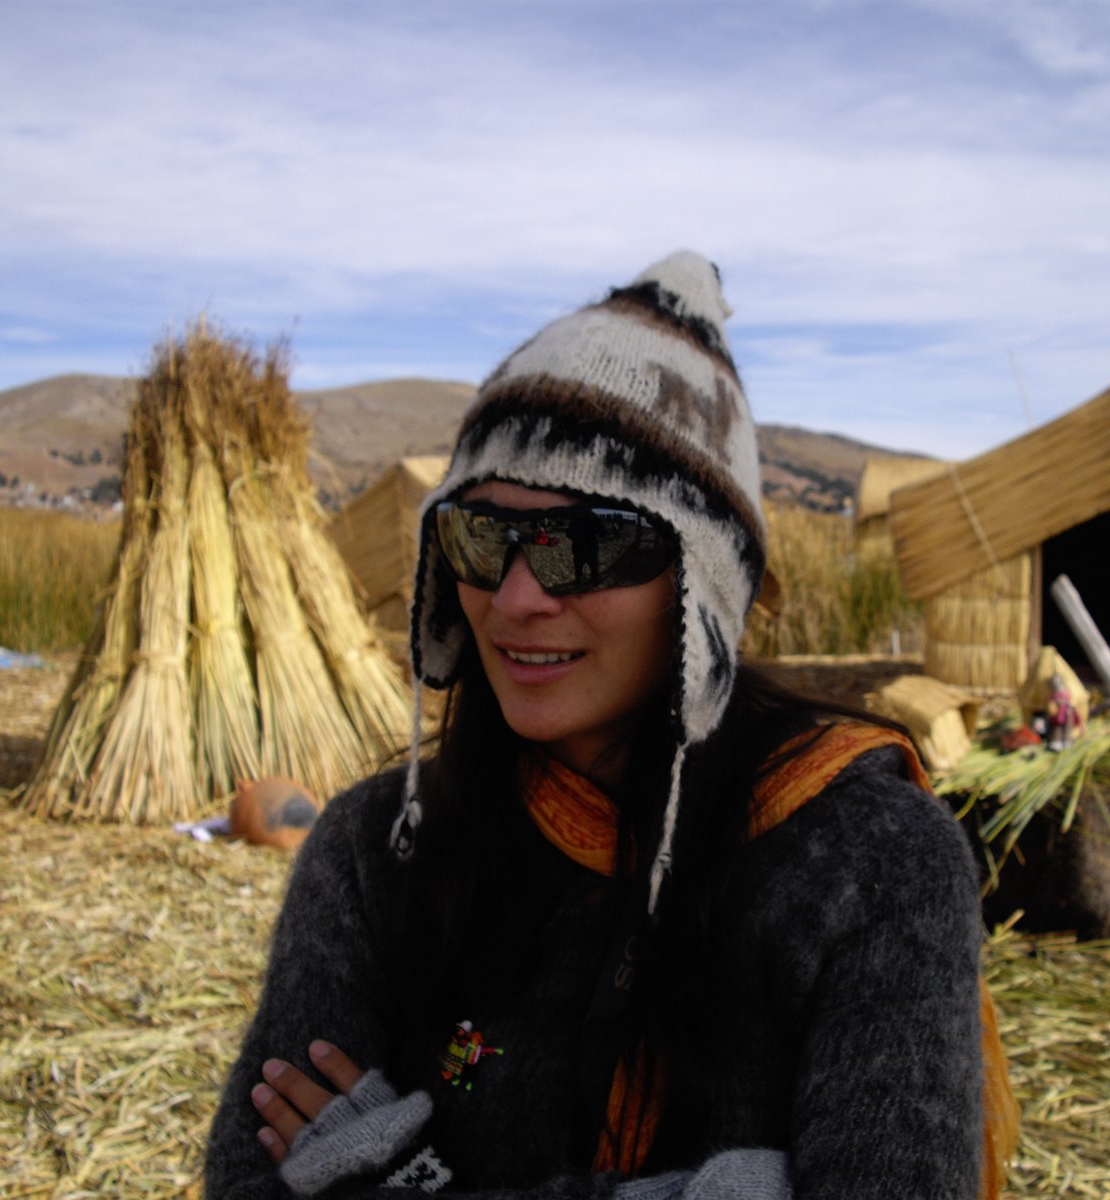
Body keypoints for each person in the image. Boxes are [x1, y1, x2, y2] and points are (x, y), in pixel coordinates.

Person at [205, 251, 1015, 1198]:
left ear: (701, 586)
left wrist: (392, 1186)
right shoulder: (380, 852)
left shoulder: (865, 863)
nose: (515, 600)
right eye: (481, 536)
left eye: (582, 545)